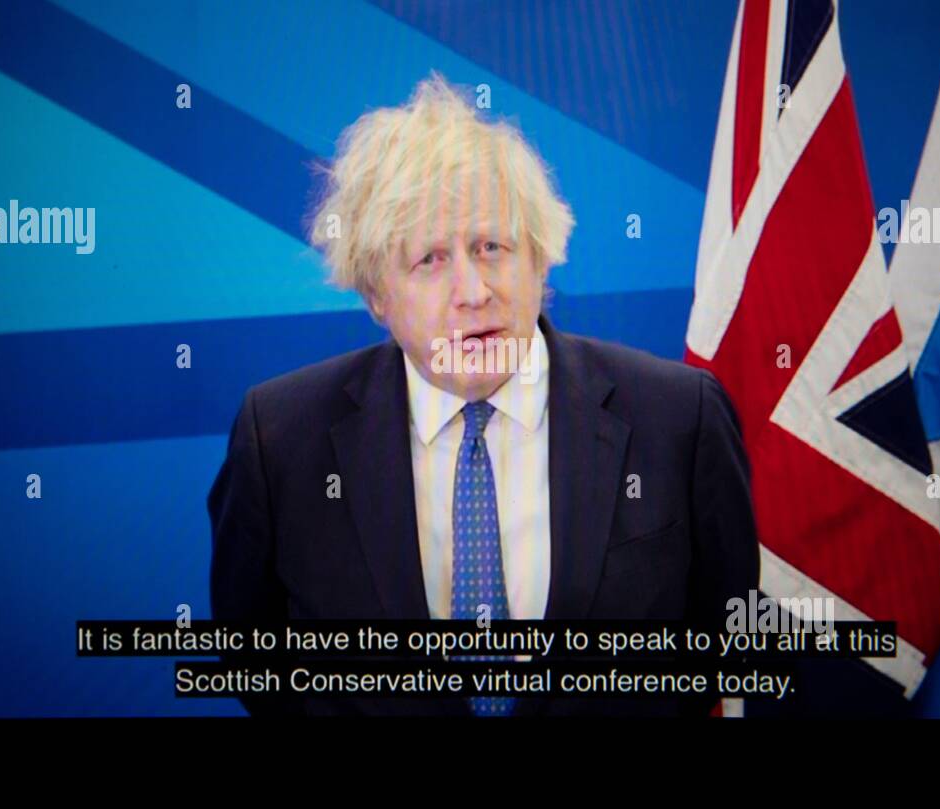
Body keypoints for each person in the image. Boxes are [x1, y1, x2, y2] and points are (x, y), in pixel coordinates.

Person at [207, 72, 758, 716]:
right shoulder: (281, 440)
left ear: (540, 258)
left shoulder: (678, 418)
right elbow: (256, 660)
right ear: (377, 294)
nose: (472, 291)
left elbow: (725, 639)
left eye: (491, 246)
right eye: (431, 260)